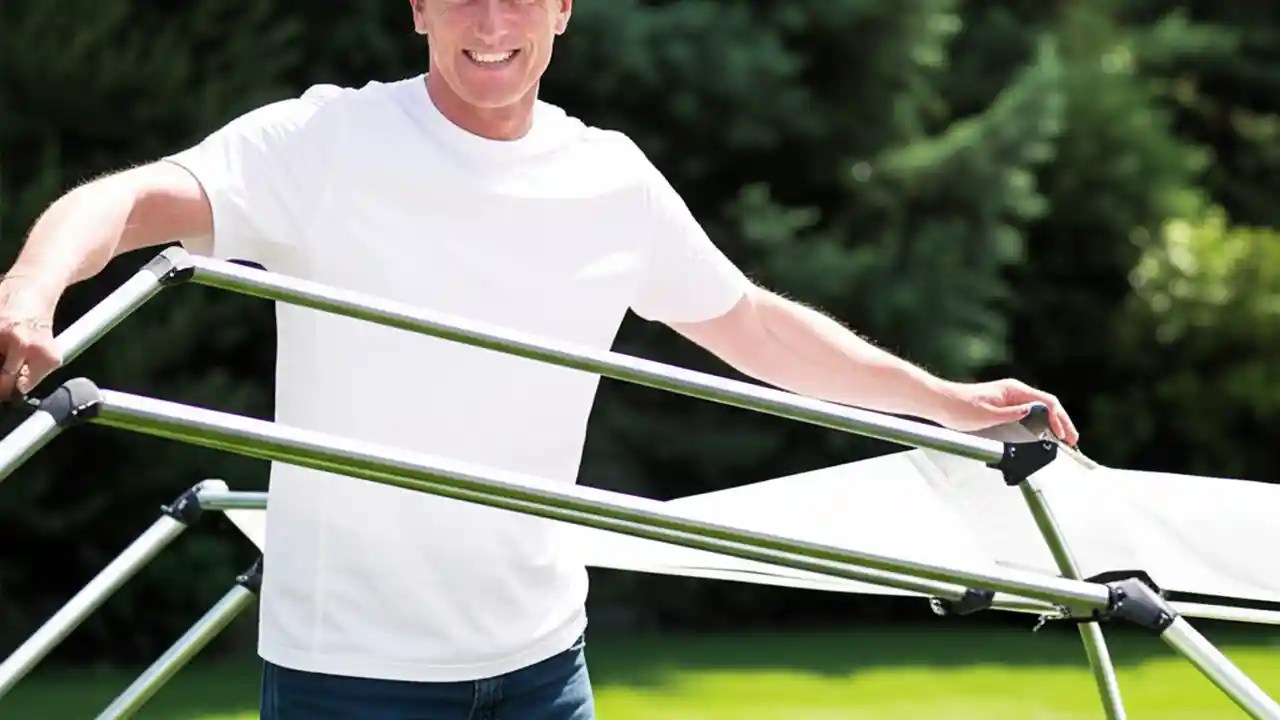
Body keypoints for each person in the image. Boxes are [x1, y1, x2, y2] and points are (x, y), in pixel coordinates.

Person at [0, 1, 1079, 717]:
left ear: (561, 8)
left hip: (542, 665)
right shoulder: (323, 144)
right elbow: (130, 201)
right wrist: (33, 285)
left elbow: (747, 324)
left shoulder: (605, 176)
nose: (491, 22)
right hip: (351, 675)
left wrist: (942, 401)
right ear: (418, 6)